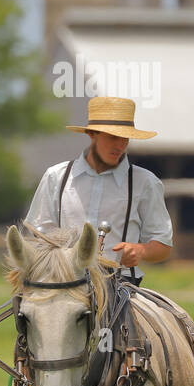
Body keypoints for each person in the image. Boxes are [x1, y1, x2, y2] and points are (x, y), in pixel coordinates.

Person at [25, 96, 173, 284]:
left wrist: (141, 250)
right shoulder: (56, 177)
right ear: (92, 134)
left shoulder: (146, 182)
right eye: (113, 137)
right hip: (64, 281)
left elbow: (163, 246)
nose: (121, 145)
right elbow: (37, 236)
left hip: (120, 284)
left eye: (125, 138)